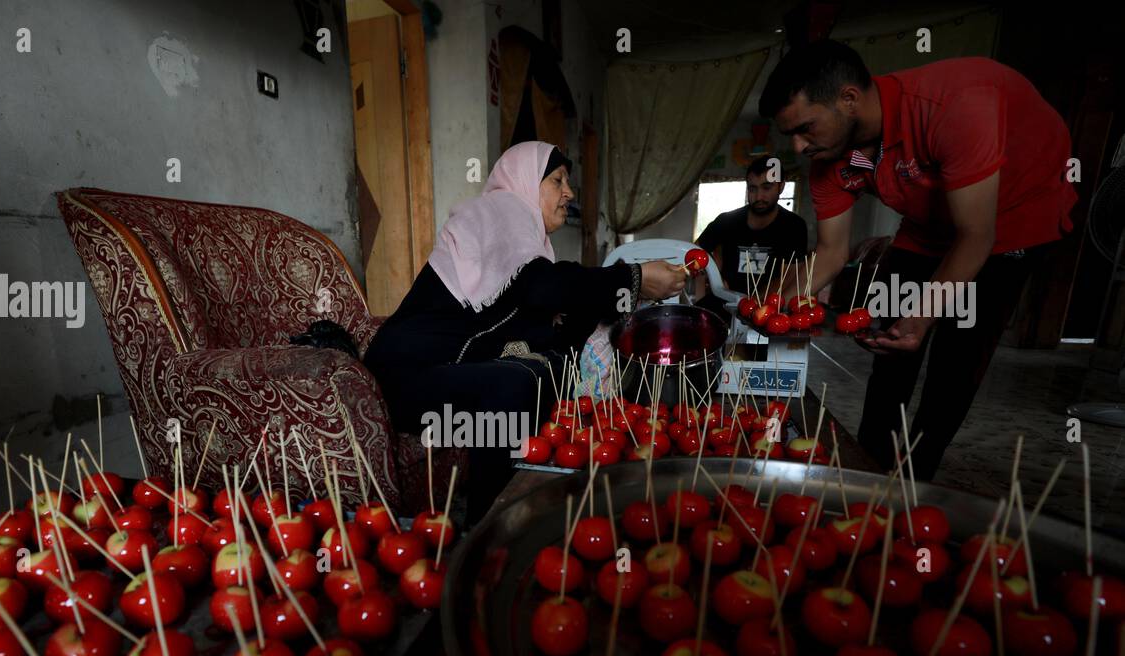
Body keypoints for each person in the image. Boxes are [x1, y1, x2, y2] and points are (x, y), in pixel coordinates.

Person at [759, 40, 1077, 479]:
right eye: (790, 134)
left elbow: (975, 236)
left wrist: (924, 315)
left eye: (806, 129)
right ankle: (869, 468)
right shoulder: (830, 158)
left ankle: (916, 475)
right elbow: (830, 253)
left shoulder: (954, 104)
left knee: (956, 357)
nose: (798, 147)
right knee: (888, 344)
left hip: (1007, 221)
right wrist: (767, 308)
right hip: (929, 222)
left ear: (849, 99)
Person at [364, 141, 685, 521]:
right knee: (512, 384)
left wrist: (624, 302)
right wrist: (635, 277)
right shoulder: (500, 211)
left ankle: (544, 504)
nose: (569, 192)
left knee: (546, 370)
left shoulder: (528, 243)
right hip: (403, 381)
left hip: (447, 375)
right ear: (524, 181)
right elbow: (545, 287)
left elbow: (554, 318)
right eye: (556, 180)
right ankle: (489, 529)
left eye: (568, 181)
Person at [694, 155, 809, 295]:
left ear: (781, 186)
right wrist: (713, 277)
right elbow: (694, 251)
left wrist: (754, 303)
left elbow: (791, 276)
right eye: (753, 189)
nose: (758, 197)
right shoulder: (726, 221)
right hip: (724, 302)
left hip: (769, 308)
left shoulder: (793, 226)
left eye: (766, 188)